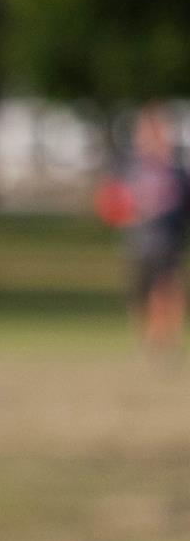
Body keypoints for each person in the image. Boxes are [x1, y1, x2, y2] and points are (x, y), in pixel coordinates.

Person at [96, 104, 188, 357]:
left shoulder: (177, 170)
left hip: (169, 240)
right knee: (139, 293)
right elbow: (109, 202)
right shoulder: (126, 167)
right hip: (137, 242)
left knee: (167, 289)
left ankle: (166, 339)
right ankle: (146, 337)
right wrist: (124, 215)